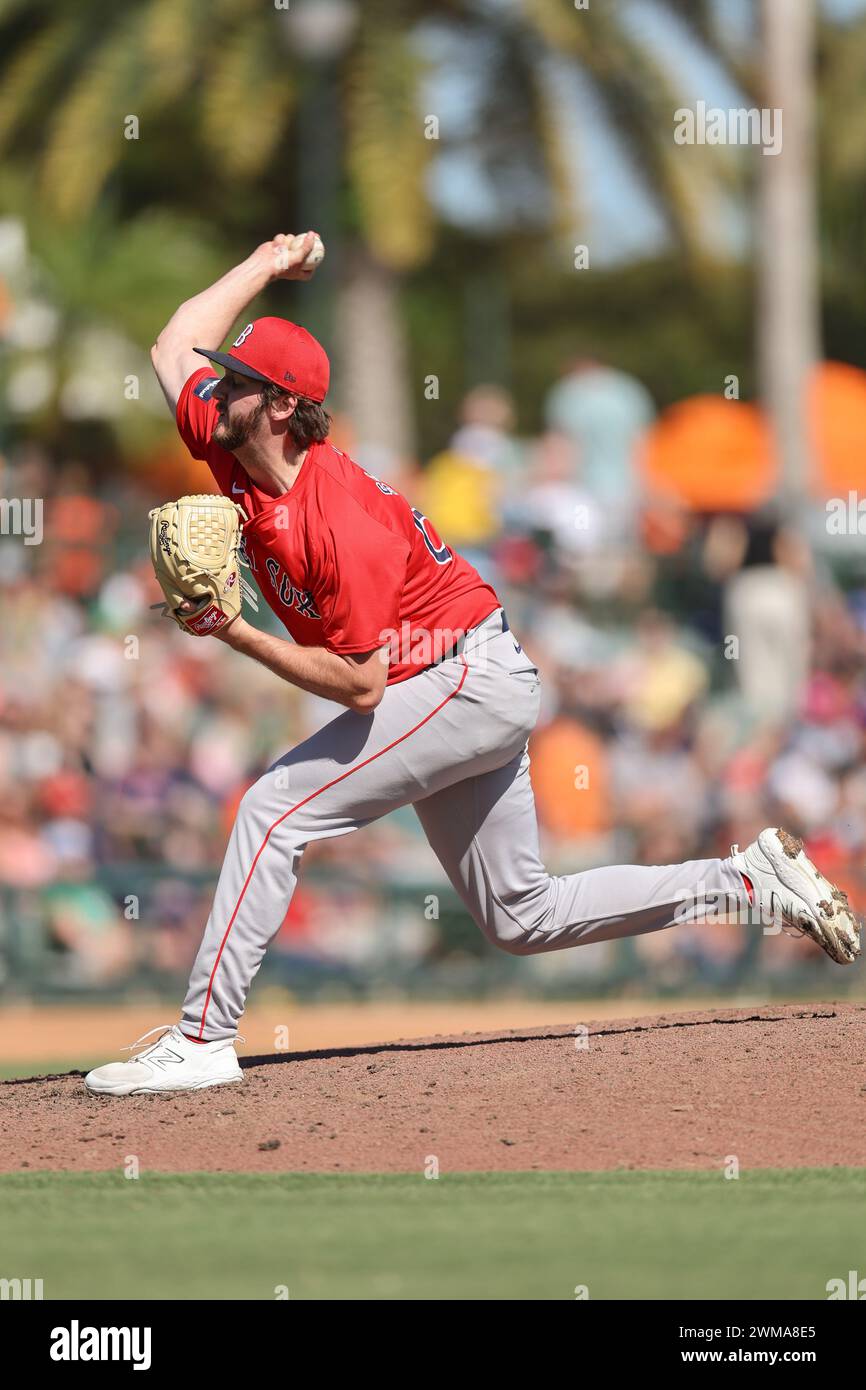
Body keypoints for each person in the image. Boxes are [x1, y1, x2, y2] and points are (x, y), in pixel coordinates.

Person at [84, 233, 861, 1097]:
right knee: (518, 915)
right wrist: (268, 264)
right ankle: (745, 881)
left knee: (273, 809)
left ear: (275, 407)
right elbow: (169, 343)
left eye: (234, 381)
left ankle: (202, 1039)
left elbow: (363, 684)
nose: (214, 389)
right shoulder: (234, 447)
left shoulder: (337, 520)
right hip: (458, 682)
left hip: (461, 677)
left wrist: (232, 633)